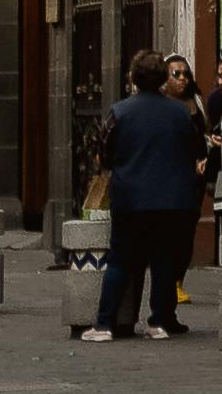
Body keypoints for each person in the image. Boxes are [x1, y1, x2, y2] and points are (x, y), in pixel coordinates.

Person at [85, 56, 209, 341]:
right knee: (164, 261)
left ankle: (104, 324)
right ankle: (160, 321)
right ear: (164, 79)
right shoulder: (180, 114)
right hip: (172, 199)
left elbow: (105, 153)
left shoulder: (121, 112)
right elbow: (194, 148)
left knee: (120, 261)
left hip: (131, 198)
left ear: (133, 78)